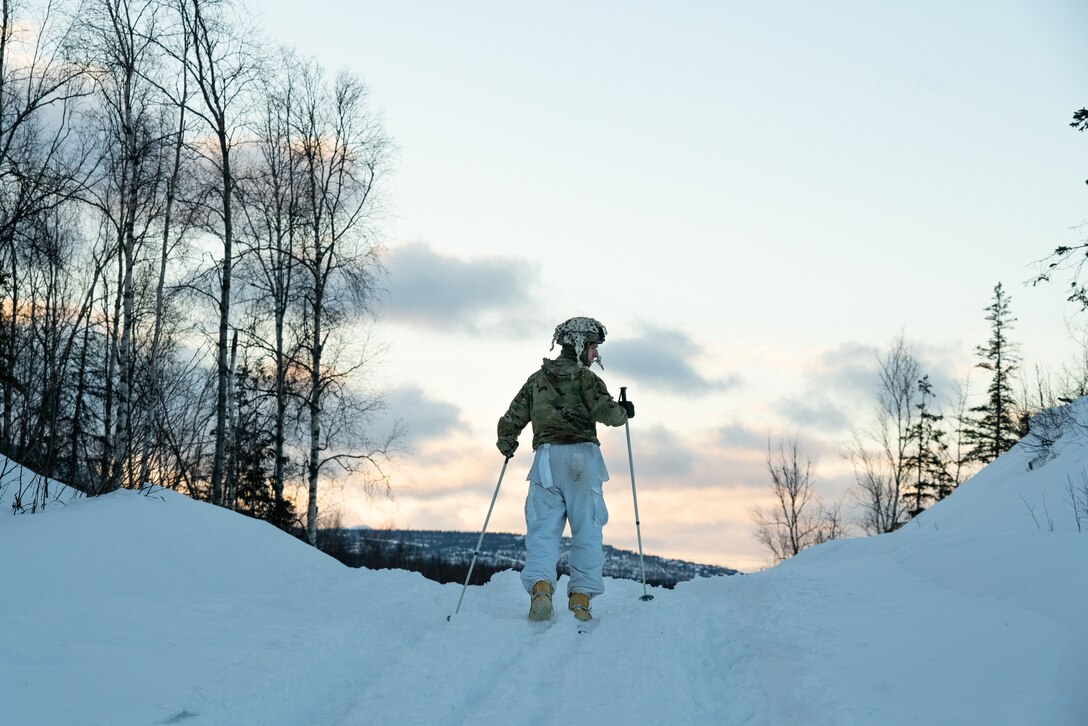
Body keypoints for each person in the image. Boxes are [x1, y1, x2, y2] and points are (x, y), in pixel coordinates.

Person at [496, 316, 634, 623]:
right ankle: (581, 597)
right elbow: (606, 412)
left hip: (545, 459)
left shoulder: (536, 379)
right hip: (582, 459)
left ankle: (541, 588)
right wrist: (624, 411)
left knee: (543, 530)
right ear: (580, 344)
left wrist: (507, 441)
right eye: (594, 346)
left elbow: (512, 417)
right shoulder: (586, 379)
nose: (596, 354)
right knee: (587, 528)